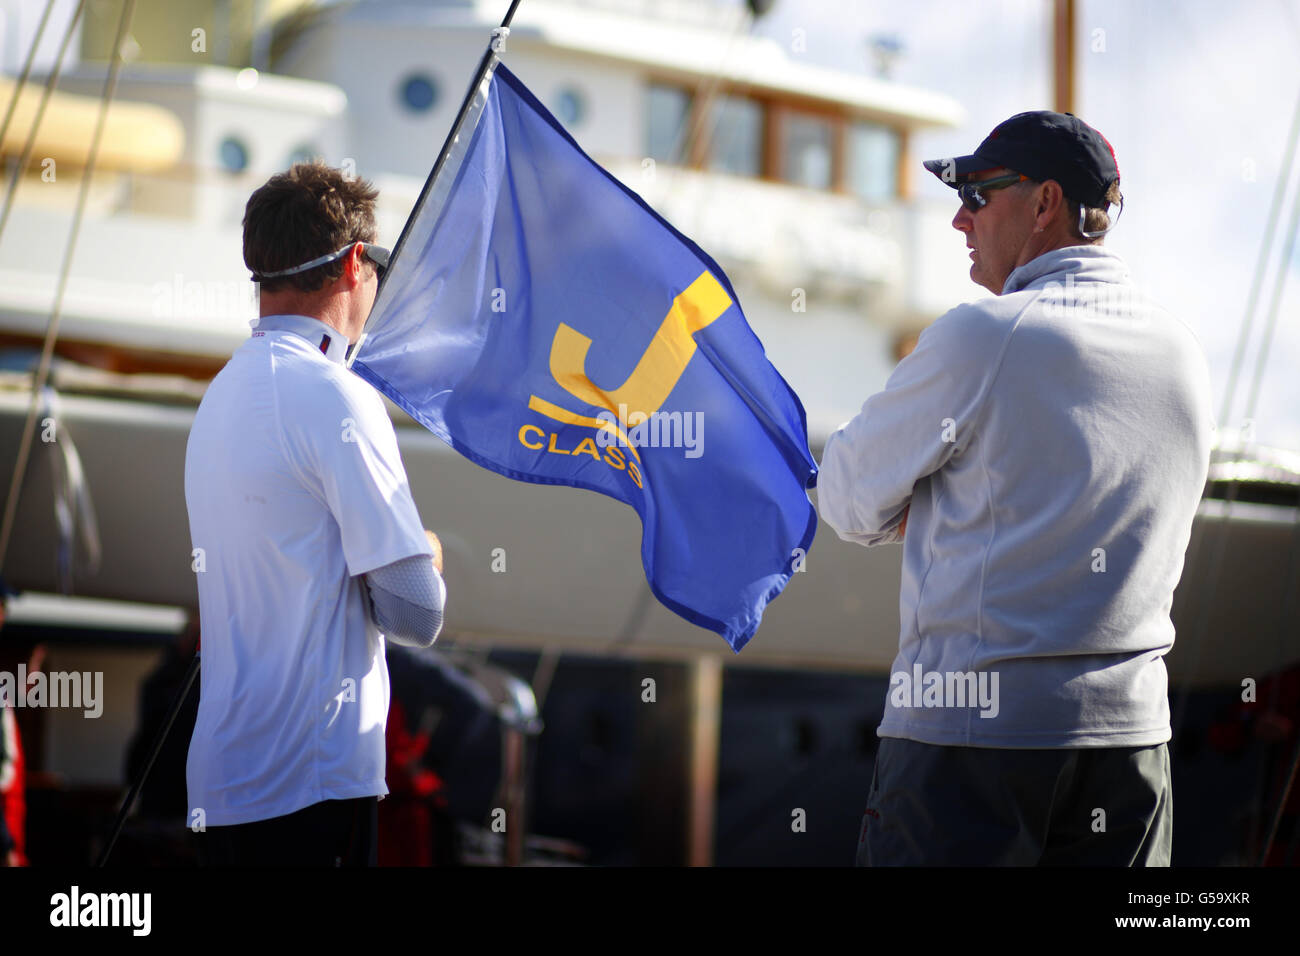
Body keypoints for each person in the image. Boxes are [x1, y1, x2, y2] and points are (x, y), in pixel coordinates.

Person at [817, 112, 1214, 866]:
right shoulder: (1182, 353)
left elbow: (844, 499)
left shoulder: (982, 336)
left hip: (967, 745)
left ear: (1045, 203)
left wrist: (923, 501)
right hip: (1133, 748)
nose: (960, 218)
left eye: (978, 193)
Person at [185, 161, 448, 866]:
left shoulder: (222, 395)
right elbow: (417, 613)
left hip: (225, 786)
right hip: (311, 785)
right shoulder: (336, 394)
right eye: (378, 265)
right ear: (355, 262)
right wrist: (426, 550)